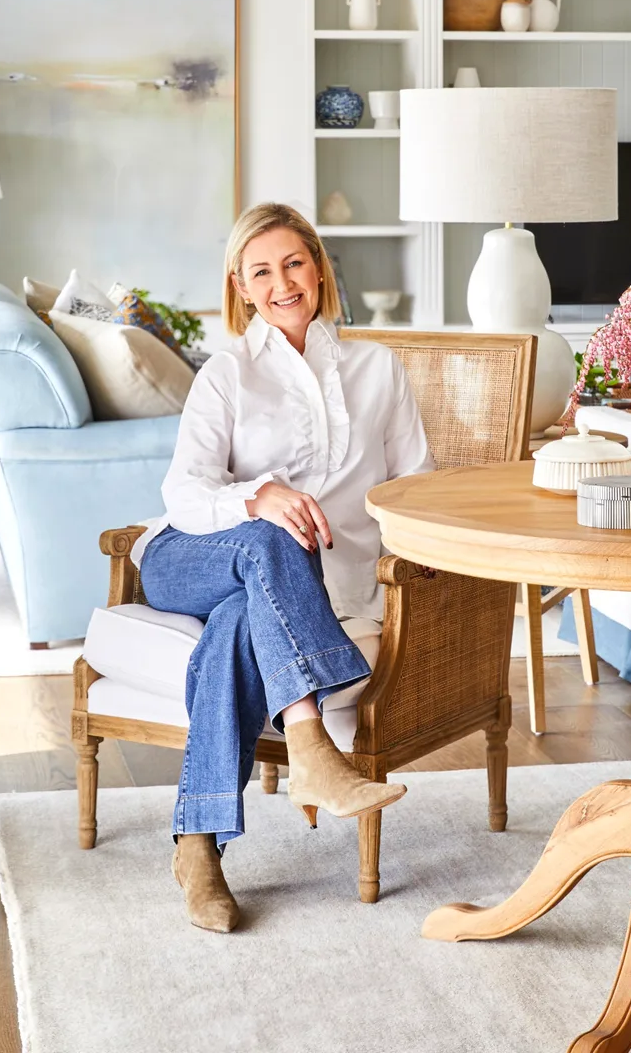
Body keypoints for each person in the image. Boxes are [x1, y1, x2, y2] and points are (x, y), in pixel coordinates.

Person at [132, 201, 435, 932]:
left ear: (320, 268)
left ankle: (198, 848)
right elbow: (183, 494)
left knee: (241, 623)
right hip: (190, 555)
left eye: (294, 262)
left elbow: (414, 485)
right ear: (241, 287)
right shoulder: (226, 375)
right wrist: (257, 497)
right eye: (260, 271)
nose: (282, 282)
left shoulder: (376, 369)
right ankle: (311, 744)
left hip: (292, 587)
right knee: (271, 535)